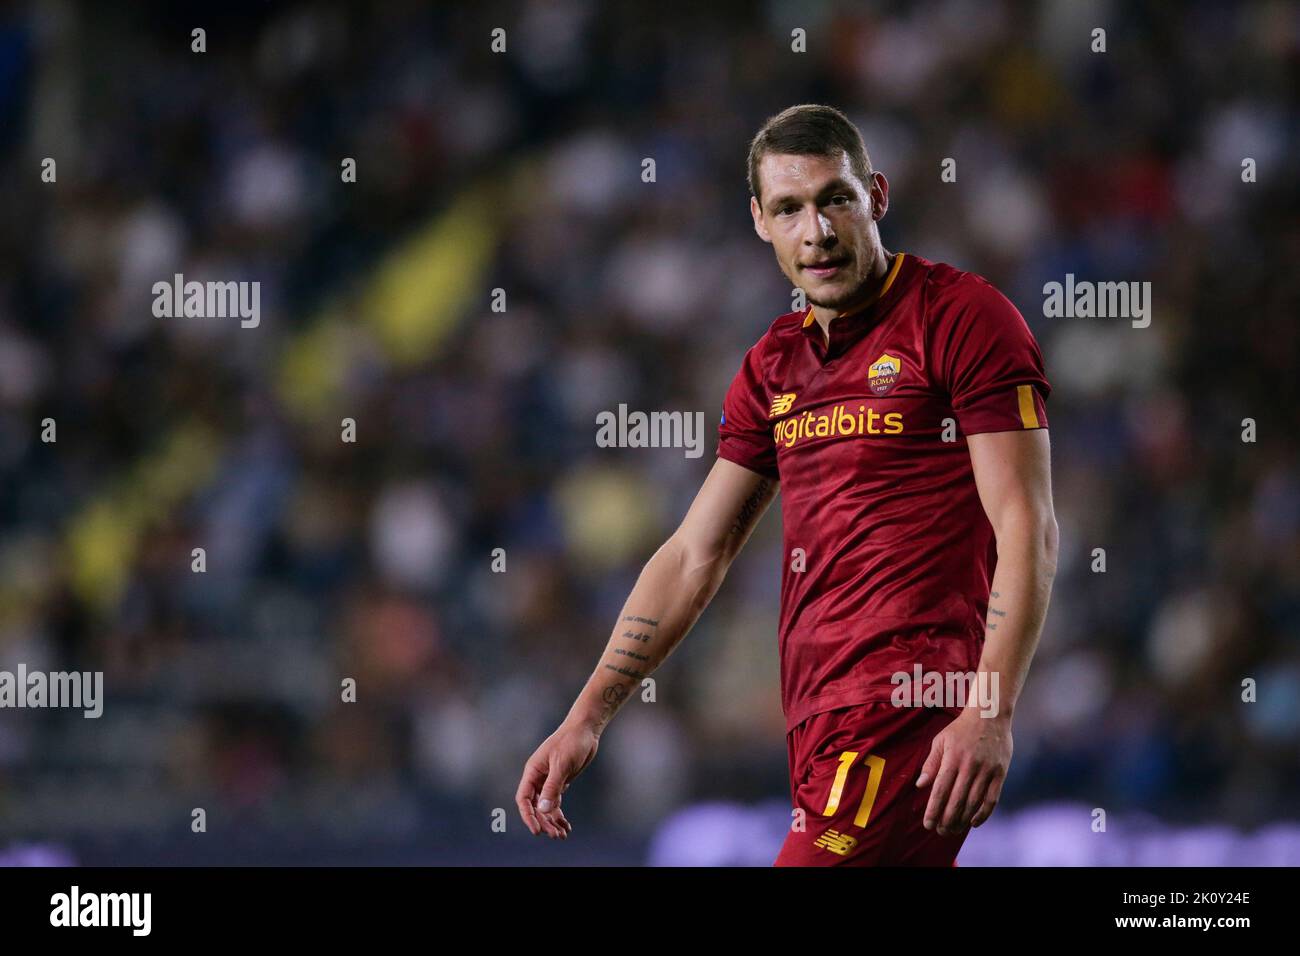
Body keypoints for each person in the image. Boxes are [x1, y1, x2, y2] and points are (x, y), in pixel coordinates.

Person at [515, 104, 1059, 865]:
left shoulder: (961, 318)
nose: (819, 231)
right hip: (815, 722)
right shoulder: (772, 366)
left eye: (836, 198)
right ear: (760, 222)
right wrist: (586, 717)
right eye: (789, 209)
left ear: (877, 194)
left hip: (908, 713)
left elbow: (1025, 525)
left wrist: (989, 711)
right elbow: (692, 556)